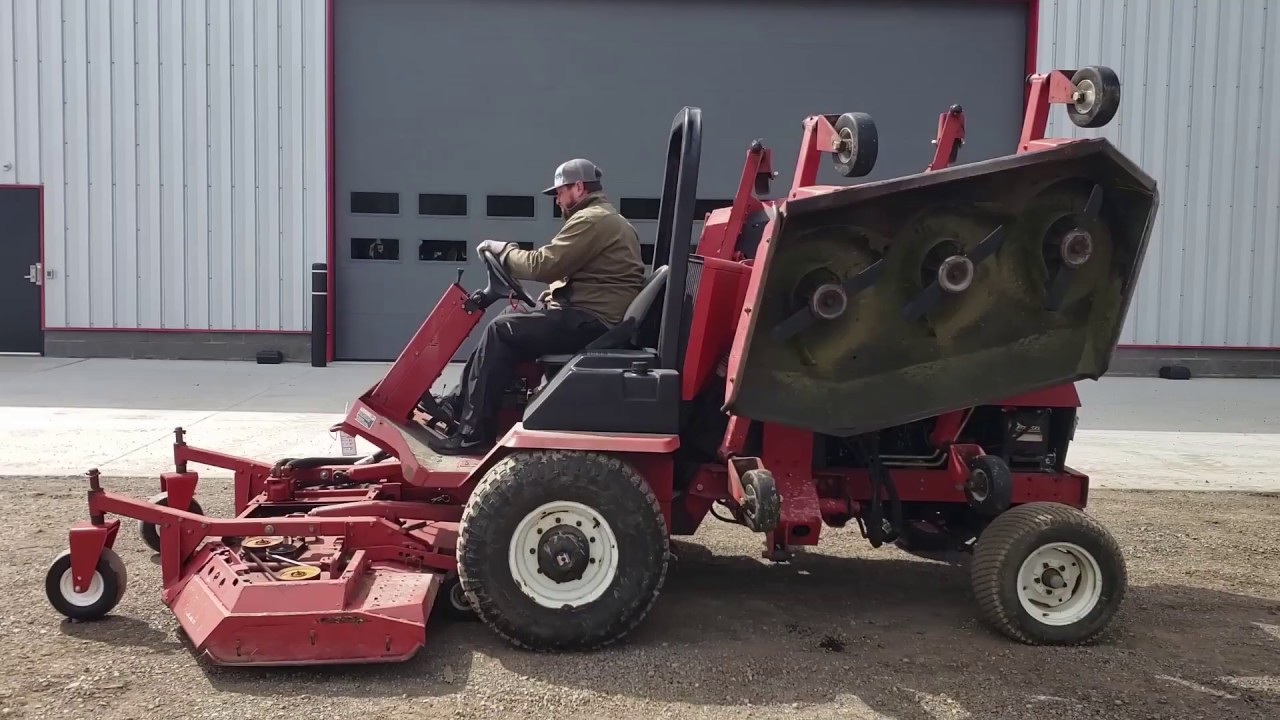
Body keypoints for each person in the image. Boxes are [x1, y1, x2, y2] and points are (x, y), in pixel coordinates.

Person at [421, 158, 647, 455]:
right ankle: (458, 405)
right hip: (594, 314)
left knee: (502, 332)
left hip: (595, 321)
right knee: (509, 318)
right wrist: (547, 298)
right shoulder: (603, 219)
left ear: (579, 187)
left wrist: (504, 251)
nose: (557, 200)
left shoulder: (593, 220)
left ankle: (473, 435)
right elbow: (579, 274)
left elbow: (543, 265)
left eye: (560, 191)